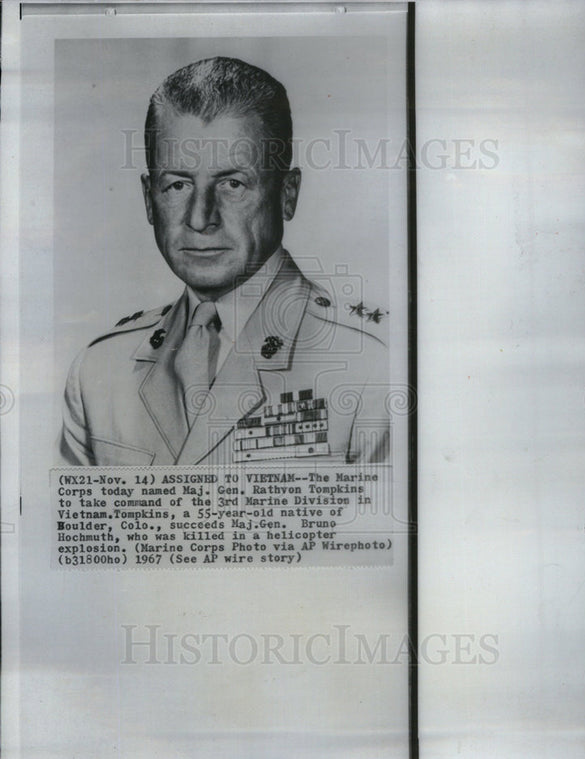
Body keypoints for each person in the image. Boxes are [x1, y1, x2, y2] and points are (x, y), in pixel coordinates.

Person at [60, 56, 389, 466]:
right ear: (149, 199)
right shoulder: (98, 373)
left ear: (287, 194)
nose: (201, 218)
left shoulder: (371, 366)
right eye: (177, 184)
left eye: (233, 184)